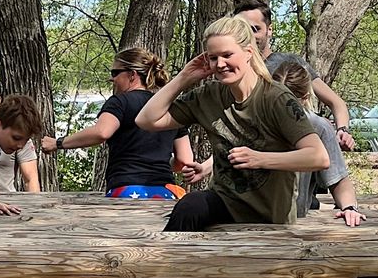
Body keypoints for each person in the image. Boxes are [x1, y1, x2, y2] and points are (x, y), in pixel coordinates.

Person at [135, 16, 329, 231]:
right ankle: (168, 253)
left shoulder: (276, 98)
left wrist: (260, 159)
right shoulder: (208, 96)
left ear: (248, 53)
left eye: (227, 55)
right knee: (190, 205)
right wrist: (184, 78)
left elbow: (318, 157)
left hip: (269, 216)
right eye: (213, 58)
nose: (220, 64)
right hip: (225, 203)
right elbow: (146, 120)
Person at [41, 48, 193, 199]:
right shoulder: (169, 107)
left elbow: (102, 132)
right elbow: (184, 160)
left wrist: (57, 143)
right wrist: (160, 163)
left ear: (132, 74)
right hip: (165, 193)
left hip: (126, 190)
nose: (112, 79)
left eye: (115, 73)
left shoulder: (120, 102)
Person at [232, 0, 355, 150]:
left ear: (269, 30)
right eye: (242, 29)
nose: (249, 36)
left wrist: (343, 130)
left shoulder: (289, 62)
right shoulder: (230, 71)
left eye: (255, 29)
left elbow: (336, 102)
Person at [272, 61, 364, 226]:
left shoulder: (318, 127)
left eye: (289, 105)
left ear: (304, 99)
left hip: (295, 221)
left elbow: (338, 180)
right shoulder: (257, 117)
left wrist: (350, 207)